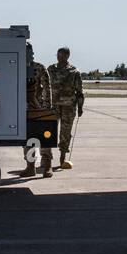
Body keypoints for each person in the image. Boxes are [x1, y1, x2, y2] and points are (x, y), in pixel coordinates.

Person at [46, 47, 84, 169]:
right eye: (57, 55)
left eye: (61, 55)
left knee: (65, 133)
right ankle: (46, 157)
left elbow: (79, 91)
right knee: (48, 131)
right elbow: (44, 85)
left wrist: (80, 107)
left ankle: (63, 156)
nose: (59, 57)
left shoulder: (74, 71)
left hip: (69, 107)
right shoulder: (51, 69)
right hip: (53, 106)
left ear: (67, 56)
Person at [21, 43, 55, 178]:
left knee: (45, 139)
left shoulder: (40, 68)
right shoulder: (16, 66)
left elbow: (47, 88)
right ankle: (30, 167)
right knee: (28, 140)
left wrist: (47, 108)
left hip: (40, 108)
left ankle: (47, 166)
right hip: (25, 108)